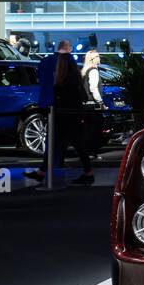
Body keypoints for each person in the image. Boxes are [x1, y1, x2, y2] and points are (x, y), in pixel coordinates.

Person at [26, 40, 94, 183]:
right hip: (70, 114)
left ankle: (43, 171)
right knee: (70, 142)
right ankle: (43, 171)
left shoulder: (61, 79)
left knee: (60, 141)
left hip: (62, 114)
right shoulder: (74, 76)